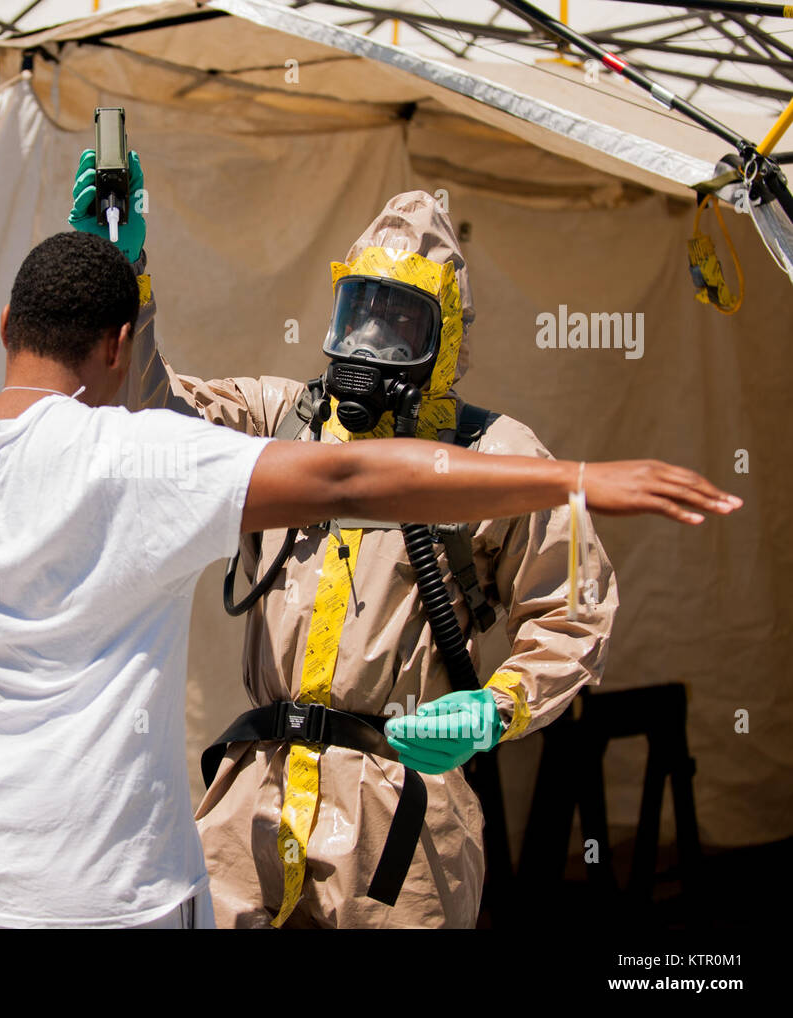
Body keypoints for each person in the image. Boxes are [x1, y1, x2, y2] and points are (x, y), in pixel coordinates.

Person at [0, 231, 739, 929]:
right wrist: (587, 473)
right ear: (120, 345)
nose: (372, 336)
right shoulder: (164, 456)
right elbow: (338, 478)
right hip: (149, 881)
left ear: (3, 319)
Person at [69, 155, 686, 927]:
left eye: (399, 320)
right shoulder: (283, 423)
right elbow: (151, 421)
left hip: (402, 821)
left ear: (443, 336)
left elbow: (575, 607)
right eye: (357, 310)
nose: (368, 337)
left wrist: (496, 708)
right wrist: (119, 278)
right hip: (252, 806)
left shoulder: (491, 458)